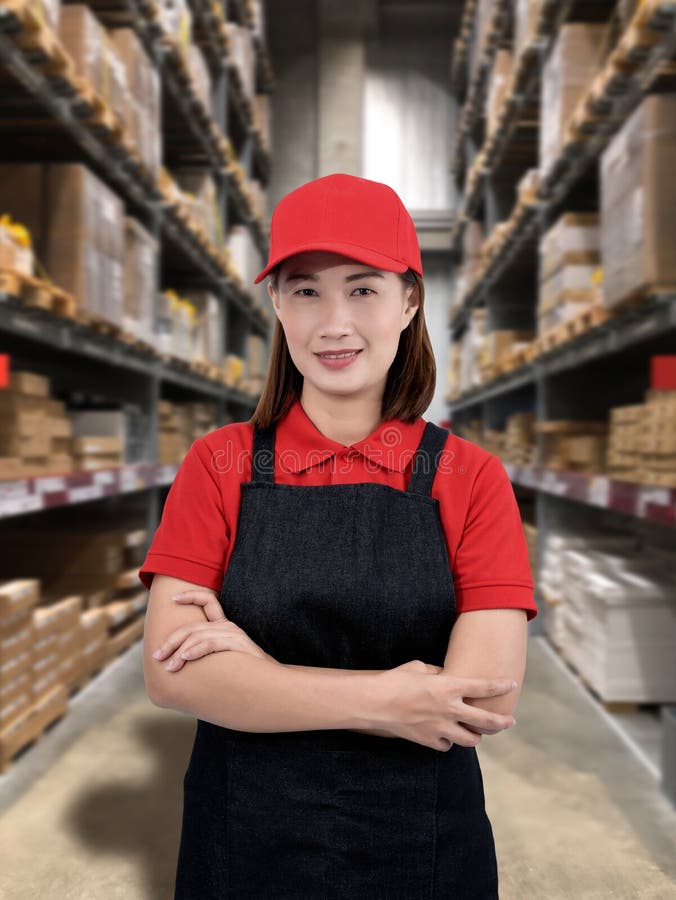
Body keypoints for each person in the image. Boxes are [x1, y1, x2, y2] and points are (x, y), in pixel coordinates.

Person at [140, 172, 538, 899]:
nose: (333, 324)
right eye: (305, 290)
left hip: (421, 847)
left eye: (363, 289)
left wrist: (258, 674)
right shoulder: (219, 464)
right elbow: (172, 674)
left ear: (409, 301)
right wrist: (393, 699)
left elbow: (480, 703)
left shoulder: (470, 477)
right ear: (276, 303)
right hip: (245, 842)